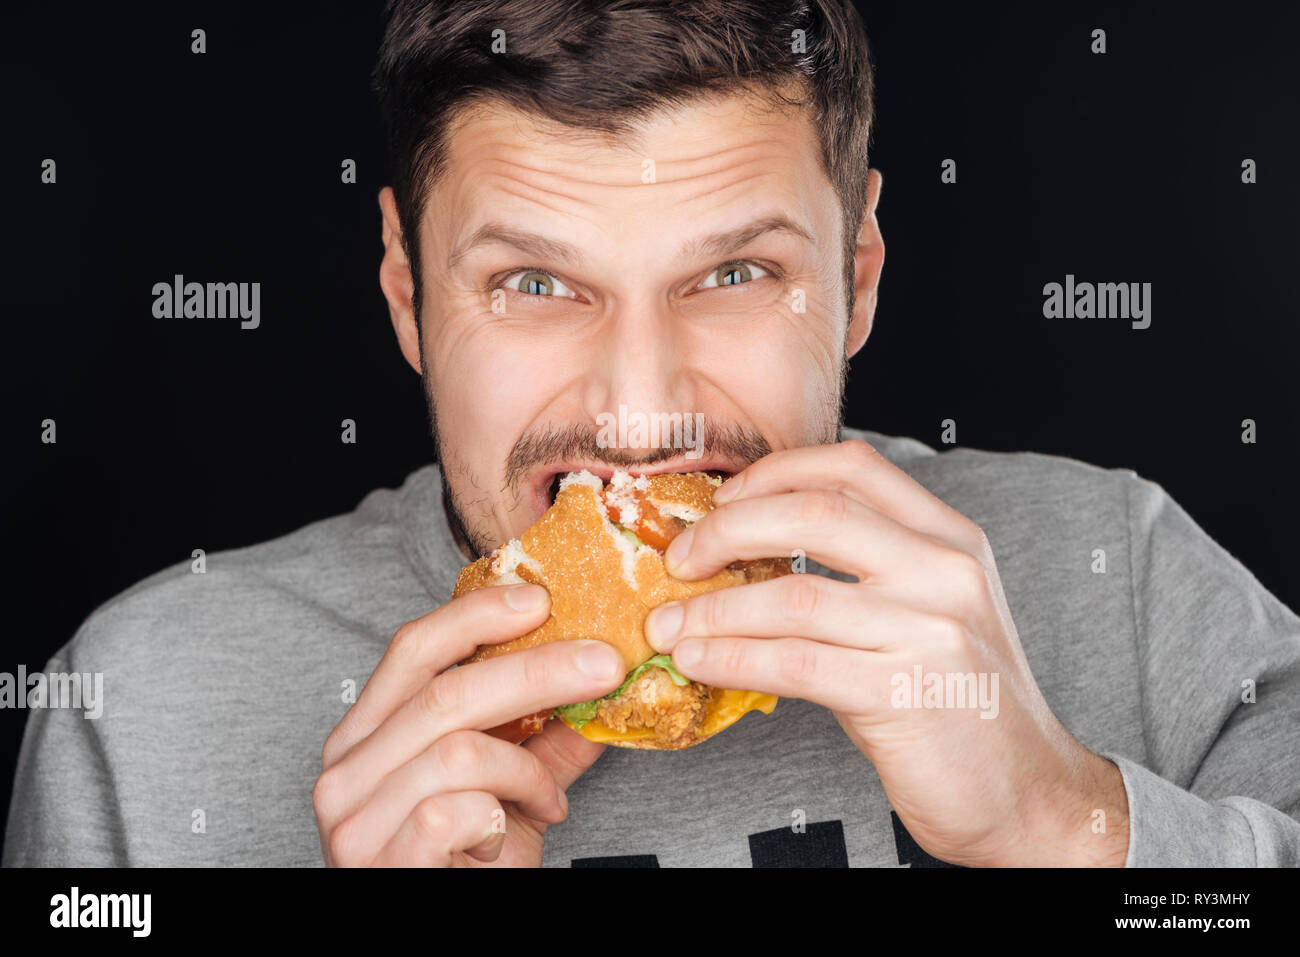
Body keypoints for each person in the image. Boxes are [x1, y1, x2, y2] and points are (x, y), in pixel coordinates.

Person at [6, 0, 1298, 868]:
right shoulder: (138, 716)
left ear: (858, 275)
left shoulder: (1117, 577)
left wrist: (1071, 822)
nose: (637, 415)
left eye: (733, 275)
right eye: (535, 283)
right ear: (406, 291)